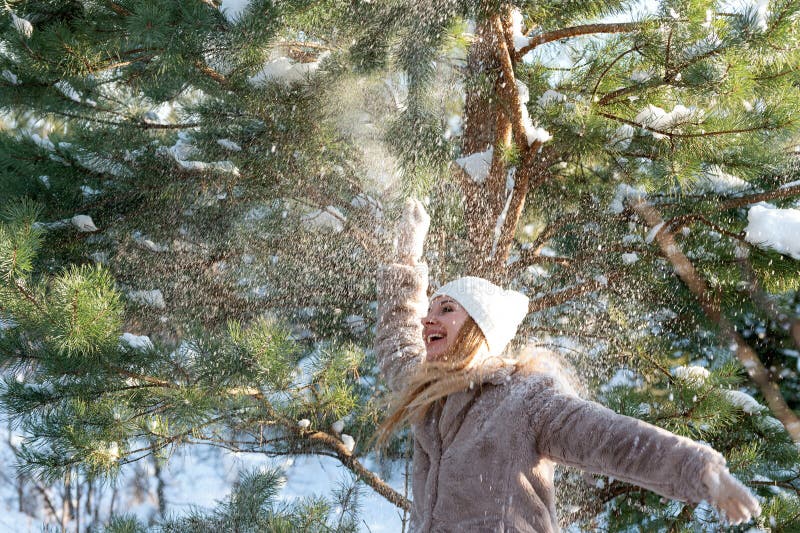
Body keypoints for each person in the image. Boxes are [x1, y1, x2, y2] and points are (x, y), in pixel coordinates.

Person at [374, 199, 761, 532]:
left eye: (446, 309)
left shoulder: (524, 398)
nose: (427, 319)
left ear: (479, 326)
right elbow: (397, 338)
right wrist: (407, 258)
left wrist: (701, 471)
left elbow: (613, 439)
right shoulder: (428, 393)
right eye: (429, 310)